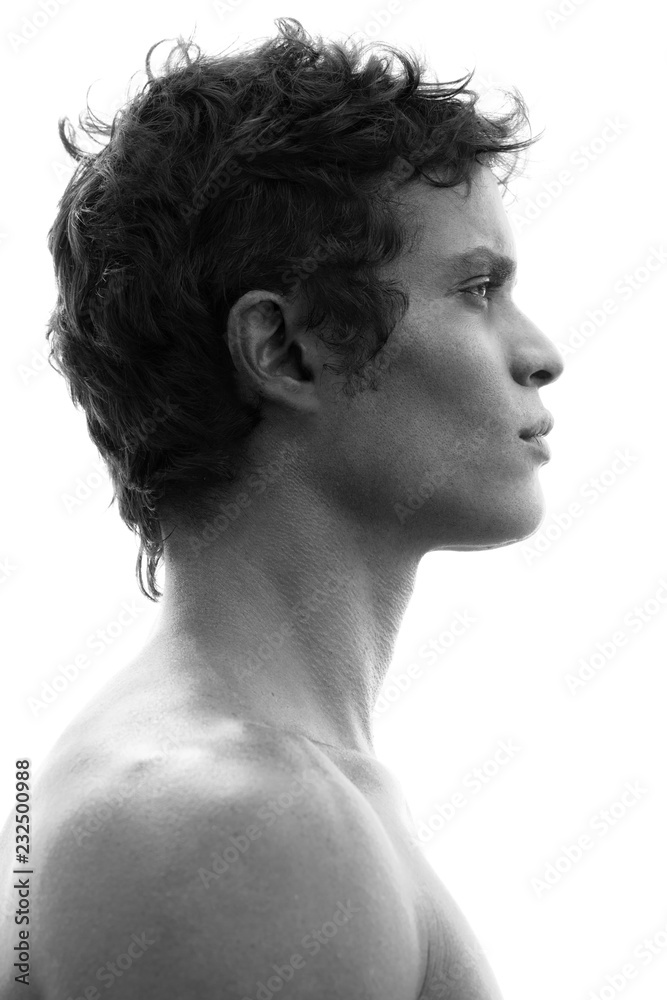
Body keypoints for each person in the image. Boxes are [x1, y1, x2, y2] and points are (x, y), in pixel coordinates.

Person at [0, 17, 563, 998]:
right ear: (288, 351)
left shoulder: (246, 787)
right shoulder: (231, 820)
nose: (540, 351)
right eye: (476, 287)